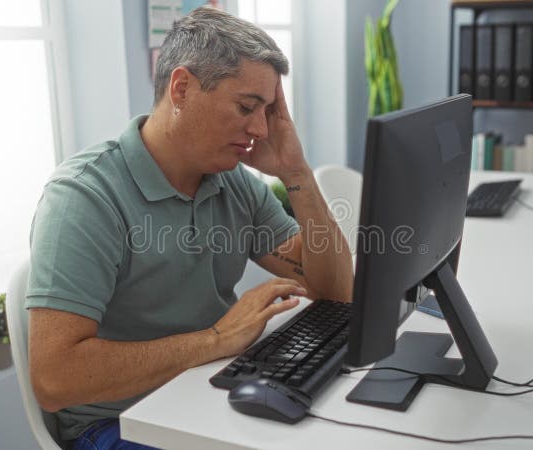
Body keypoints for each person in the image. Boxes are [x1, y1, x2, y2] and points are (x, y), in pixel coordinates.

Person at [26, 6, 353, 449]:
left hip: (206, 395)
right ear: (181, 88)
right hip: (120, 424)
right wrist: (217, 338)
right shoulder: (84, 197)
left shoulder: (231, 180)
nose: (259, 129)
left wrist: (296, 172)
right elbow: (54, 378)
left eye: (268, 112)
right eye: (246, 107)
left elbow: (334, 291)